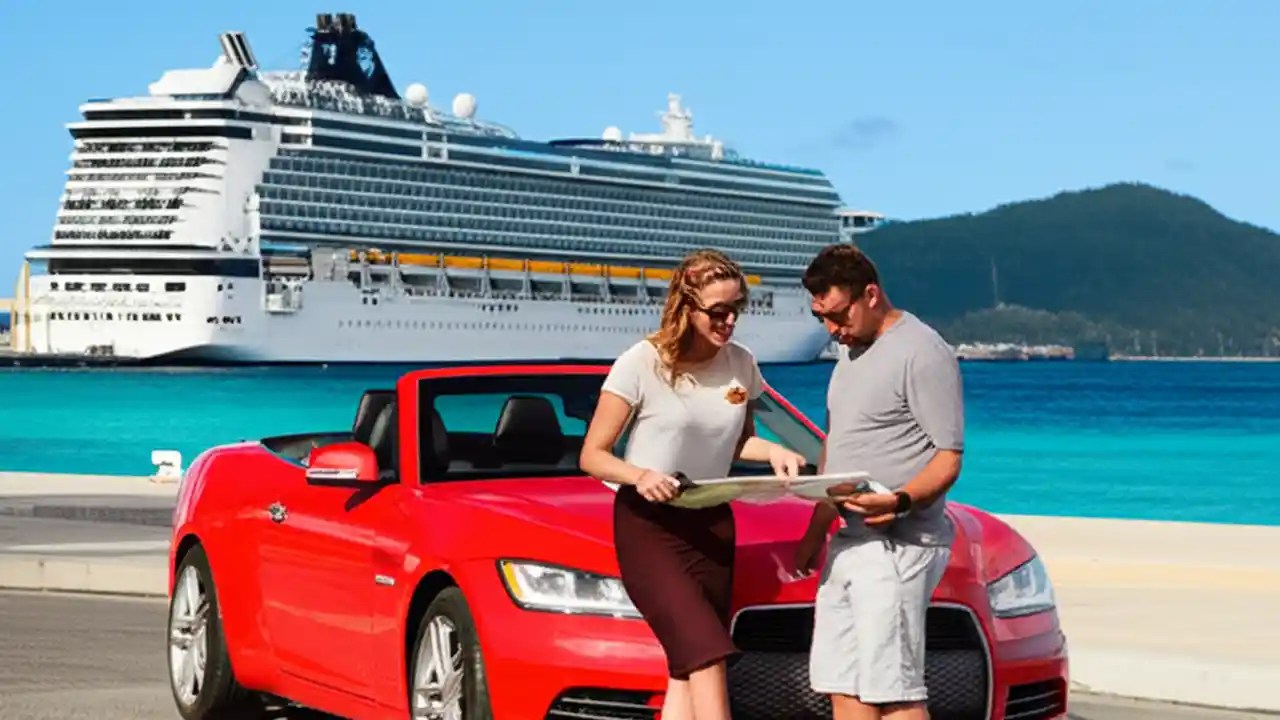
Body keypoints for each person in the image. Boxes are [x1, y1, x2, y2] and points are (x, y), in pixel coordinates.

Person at [580, 248, 807, 720]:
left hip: (712, 525)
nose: (728, 323)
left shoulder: (741, 364)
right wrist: (641, 475)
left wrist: (777, 452)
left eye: (735, 312)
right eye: (717, 312)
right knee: (707, 656)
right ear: (686, 308)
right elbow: (593, 455)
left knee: (685, 669)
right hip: (650, 527)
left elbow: (739, 444)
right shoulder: (640, 362)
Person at [792, 243, 965, 720]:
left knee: (893, 693)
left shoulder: (922, 351)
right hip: (848, 543)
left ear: (870, 294)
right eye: (820, 319)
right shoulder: (850, 351)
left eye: (837, 316)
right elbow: (839, 446)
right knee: (842, 687)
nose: (831, 331)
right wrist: (814, 532)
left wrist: (902, 500)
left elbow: (949, 457)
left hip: (901, 546)